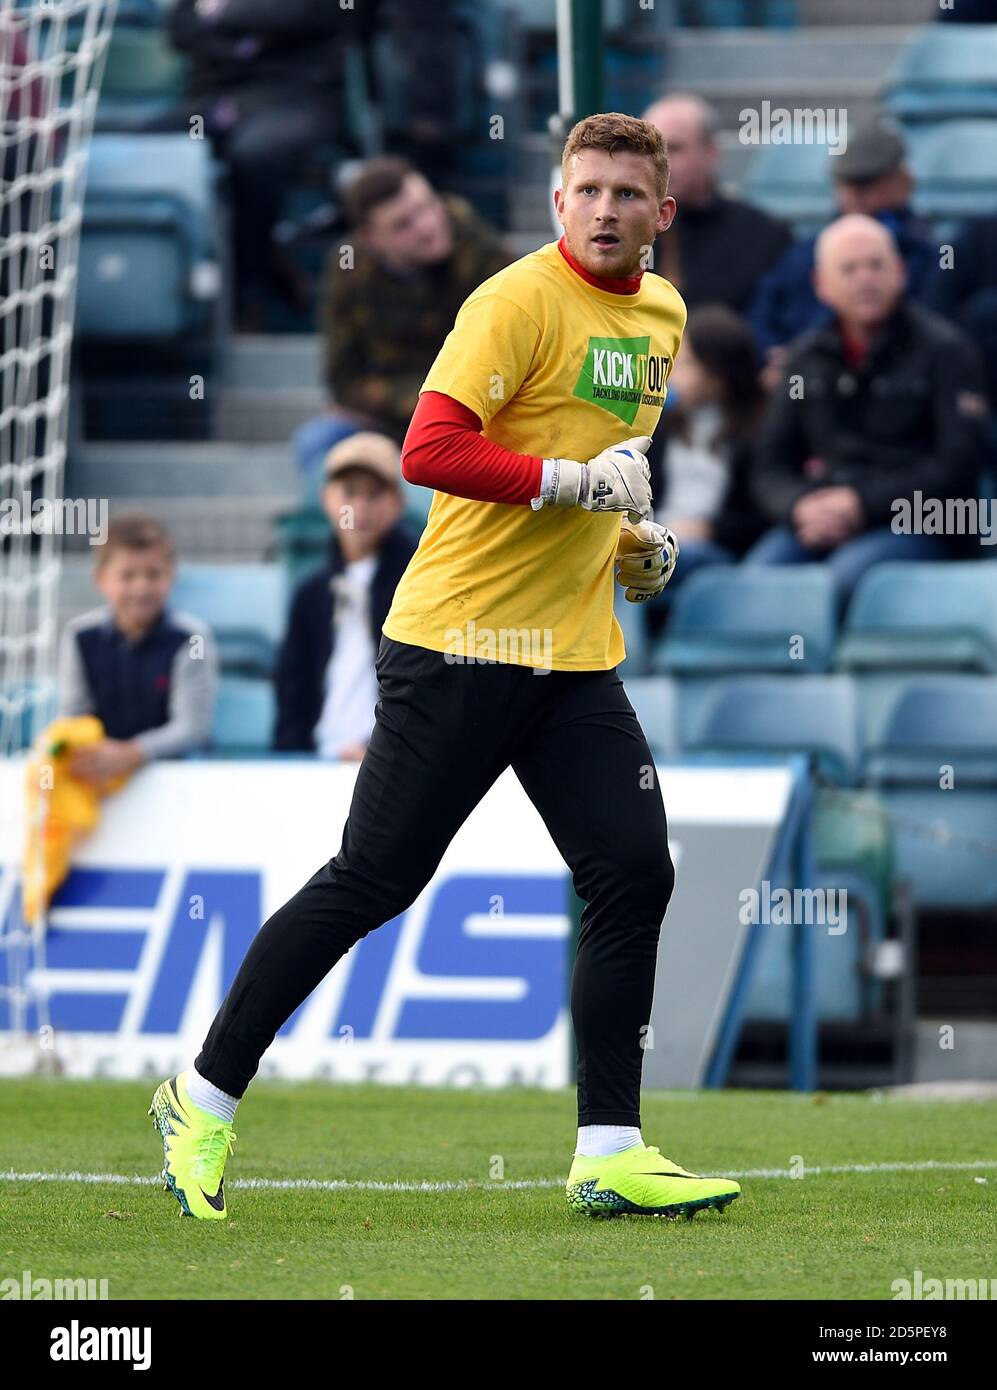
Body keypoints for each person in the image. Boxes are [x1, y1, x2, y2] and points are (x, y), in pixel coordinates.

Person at [148, 112, 741, 1223]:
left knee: (632, 871)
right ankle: (201, 1093)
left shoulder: (661, 315)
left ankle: (608, 1149)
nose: (606, 209)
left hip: (570, 657)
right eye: (587, 190)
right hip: (457, 642)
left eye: (628, 193)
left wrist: (633, 548)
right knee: (372, 881)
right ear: (557, 202)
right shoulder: (513, 300)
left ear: (663, 213)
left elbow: (600, 474)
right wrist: (571, 486)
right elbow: (426, 450)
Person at [746, 215, 989, 606]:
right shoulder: (805, 359)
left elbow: (957, 466)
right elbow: (769, 467)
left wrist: (862, 503)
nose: (865, 279)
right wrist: (799, 507)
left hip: (916, 525)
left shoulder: (947, 352)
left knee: (838, 582)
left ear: (901, 273)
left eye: (876, 265)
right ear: (821, 286)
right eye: (850, 268)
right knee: (753, 587)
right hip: (821, 519)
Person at [292, 157, 511, 500]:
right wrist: (417, 402)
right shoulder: (349, 267)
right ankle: (347, 550)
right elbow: (343, 381)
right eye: (402, 224)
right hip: (387, 421)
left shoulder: (468, 235)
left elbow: (509, 343)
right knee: (317, 443)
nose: (427, 227)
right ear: (370, 238)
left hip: (468, 413)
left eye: (427, 206)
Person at [273, 433, 419, 758]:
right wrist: (289, 760)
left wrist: (378, 746)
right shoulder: (311, 593)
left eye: (374, 494)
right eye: (349, 492)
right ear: (327, 499)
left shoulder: (419, 584)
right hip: (316, 762)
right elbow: (292, 688)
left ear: (397, 502)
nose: (360, 507)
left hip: (394, 764)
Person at [747, 123, 939, 363]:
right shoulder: (806, 253)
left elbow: (926, 331)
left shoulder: (923, 256)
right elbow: (763, 312)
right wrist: (772, 354)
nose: (855, 195)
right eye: (847, 184)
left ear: (904, 182)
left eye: (869, 184)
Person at [58, 513, 218, 780]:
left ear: (172, 576)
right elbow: (73, 717)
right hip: (99, 777)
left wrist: (132, 754)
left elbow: (192, 728)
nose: (141, 587)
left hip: (177, 777)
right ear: (100, 579)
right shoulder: (79, 636)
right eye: (127, 575)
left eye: (153, 574)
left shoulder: (194, 638)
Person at [642, 304, 768, 637]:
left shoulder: (758, 431)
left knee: (649, 560)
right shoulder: (664, 425)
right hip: (660, 534)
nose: (674, 376)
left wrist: (710, 529)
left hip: (713, 550)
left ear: (719, 372)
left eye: (687, 365)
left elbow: (761, 514)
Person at [642, 93, 792, 313]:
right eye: (649, 150)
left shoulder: (764, 237)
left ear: (710, 152)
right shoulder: (618, 234)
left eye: (674, 149)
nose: (659, 163)